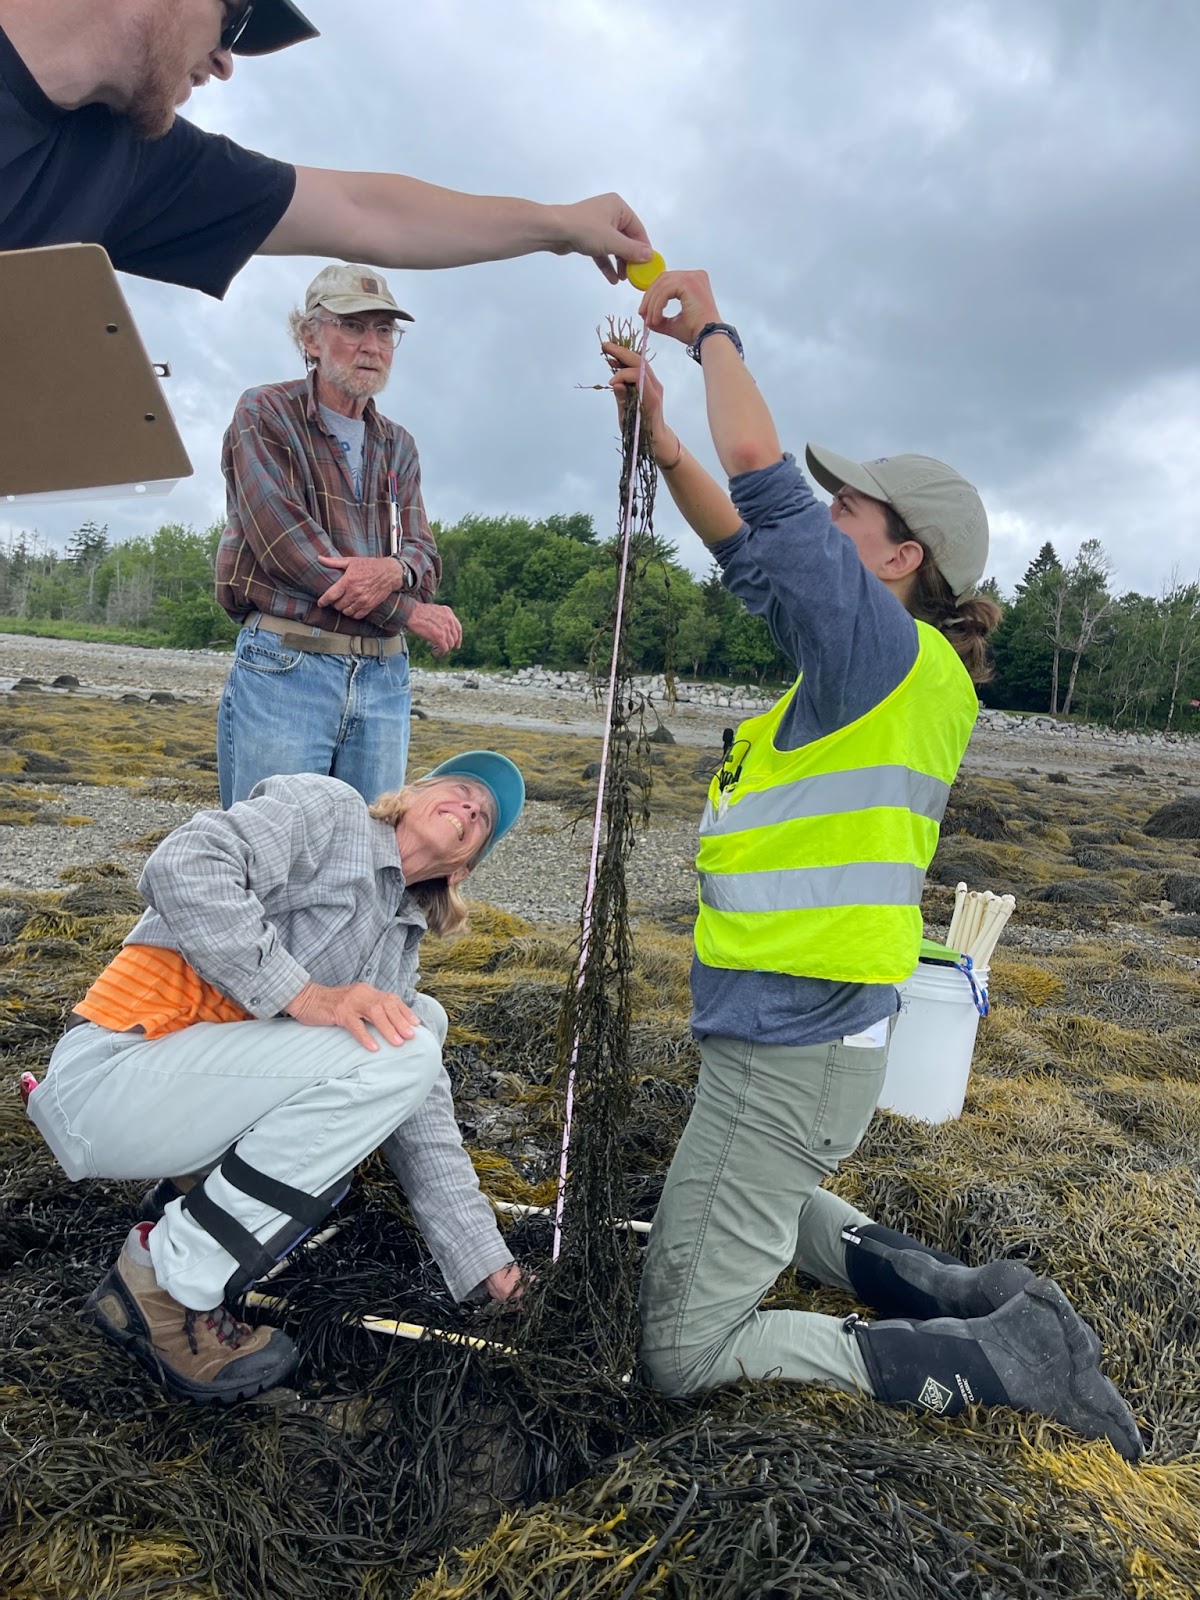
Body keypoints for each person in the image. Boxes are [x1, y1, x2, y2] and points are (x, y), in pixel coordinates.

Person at [605, 271, 1142, 1462]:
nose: (827, 515)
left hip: (793, 1042)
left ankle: (986, 1358)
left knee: (684, 1350)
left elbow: (762, 493)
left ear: (902, 555)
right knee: (750, 1182)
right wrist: (660, 438)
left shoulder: (882, 655)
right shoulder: (877, 663)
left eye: (850, 509)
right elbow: (747, 544)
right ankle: (943, 1285)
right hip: (804, 1030)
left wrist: (707, 332)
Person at [25, 750, 527, 1405]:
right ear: (412, 795)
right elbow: (182, 865)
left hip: (176, 1103)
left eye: (481, 815)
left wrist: (482, 1262)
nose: (466, 806)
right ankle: (167, 1285)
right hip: (112, 1075)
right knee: (404, 1040)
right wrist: (307, 995)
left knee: (419, 1025)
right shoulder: (328, 814)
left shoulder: (398, 942)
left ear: (465, 865)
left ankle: (191, 1201)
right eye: (459, 790)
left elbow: (419, 1112)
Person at [0, 0, 652, 300]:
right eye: (238, 20)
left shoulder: (134, 160)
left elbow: (364, 211)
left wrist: (562, 225)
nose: (227, 64)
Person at [215, 263, 458, 807]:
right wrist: (408, 612)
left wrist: (393, 570)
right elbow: (289, 548)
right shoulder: (265, 411)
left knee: (369, 860)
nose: (370, 345)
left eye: (383, 330)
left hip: (383, 676)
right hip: (287, 665)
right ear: (310, 337)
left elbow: (424, 553)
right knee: (268, 855)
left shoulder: (399, 444)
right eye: (352, 326)